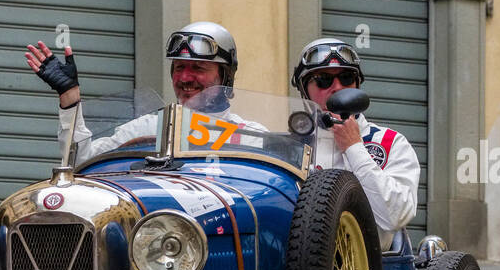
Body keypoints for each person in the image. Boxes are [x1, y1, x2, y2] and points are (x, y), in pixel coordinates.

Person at [25, 22, 250, 164]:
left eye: (198, 68)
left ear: (225, 76)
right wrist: (69, 95)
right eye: (179, 68)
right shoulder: (149, 127)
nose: (184, 78)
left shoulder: (251, 136)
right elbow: (80, 161)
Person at [291, 37, 419, 251]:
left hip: (368, 269)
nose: (337, 87)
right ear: (305, 89)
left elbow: (395, 217)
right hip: (298, 264)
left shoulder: (390, 142)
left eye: (346, 77)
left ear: (357, 84)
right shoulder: (286, 145)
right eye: (323, 79)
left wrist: (354, 147)